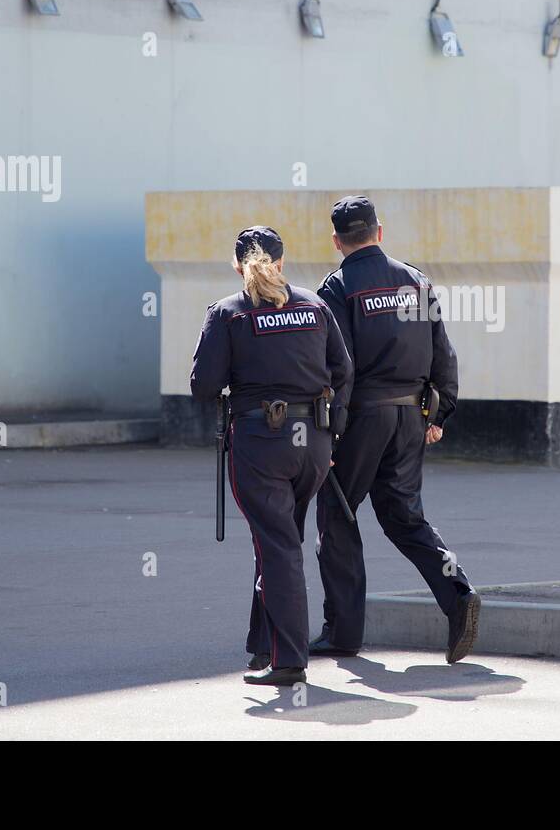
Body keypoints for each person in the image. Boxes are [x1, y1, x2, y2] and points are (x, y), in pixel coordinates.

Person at [311, 195, 481, 664]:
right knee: (406, 517)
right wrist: (439, 412)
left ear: (336, 240)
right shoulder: (415, 280)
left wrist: (328, 432)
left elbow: (338, 369)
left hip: (363, 417)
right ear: (379, 232)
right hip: (411, 415)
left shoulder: (337, 288)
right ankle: (459, 593)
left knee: (338, 516)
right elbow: (443, 352)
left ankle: (343, 633)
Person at [190, 226, 353, 686]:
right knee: (278, 540)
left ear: (237, 265)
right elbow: (344, 372)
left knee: (278, 547)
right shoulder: (315, 306)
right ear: (281, 262)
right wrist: (334, 431)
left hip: (262, 444)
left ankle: (289, 661)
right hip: (314, 445)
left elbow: (202, 386)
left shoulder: (228, 313)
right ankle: (264, 646)